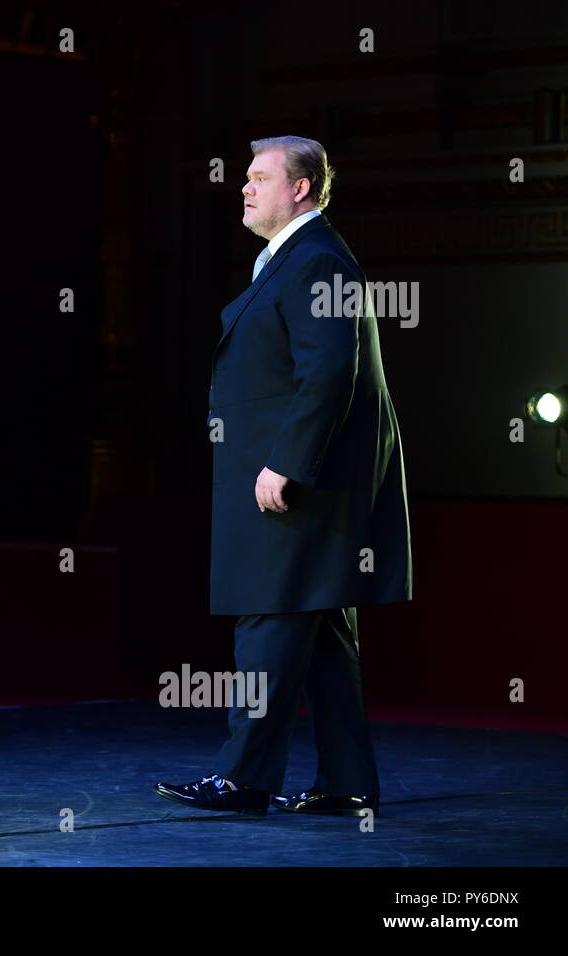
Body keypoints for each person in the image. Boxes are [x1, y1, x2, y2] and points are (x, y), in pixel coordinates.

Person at [156, 136, 411, 815]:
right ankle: (346, 781)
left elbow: (330, 371)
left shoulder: (315, 260)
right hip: (303, 478)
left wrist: (287, 463)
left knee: (268, 617)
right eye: (245, 177)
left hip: (300, 481)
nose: (244, 187)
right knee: (321, 625)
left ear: (300, 188)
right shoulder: (294, 260)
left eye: (259, 177)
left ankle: (243, 778)